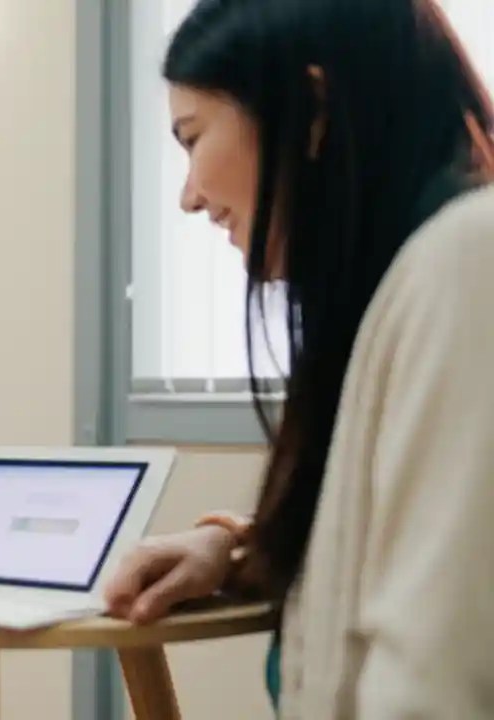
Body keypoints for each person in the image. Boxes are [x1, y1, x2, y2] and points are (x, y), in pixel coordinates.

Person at [101, 0, 494, 717]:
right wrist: (235, 550)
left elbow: (436, 685)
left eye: (192, 139)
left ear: (313, 109)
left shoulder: (468, 266)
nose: (189, 197)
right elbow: (406, 538)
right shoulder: (408, 282)